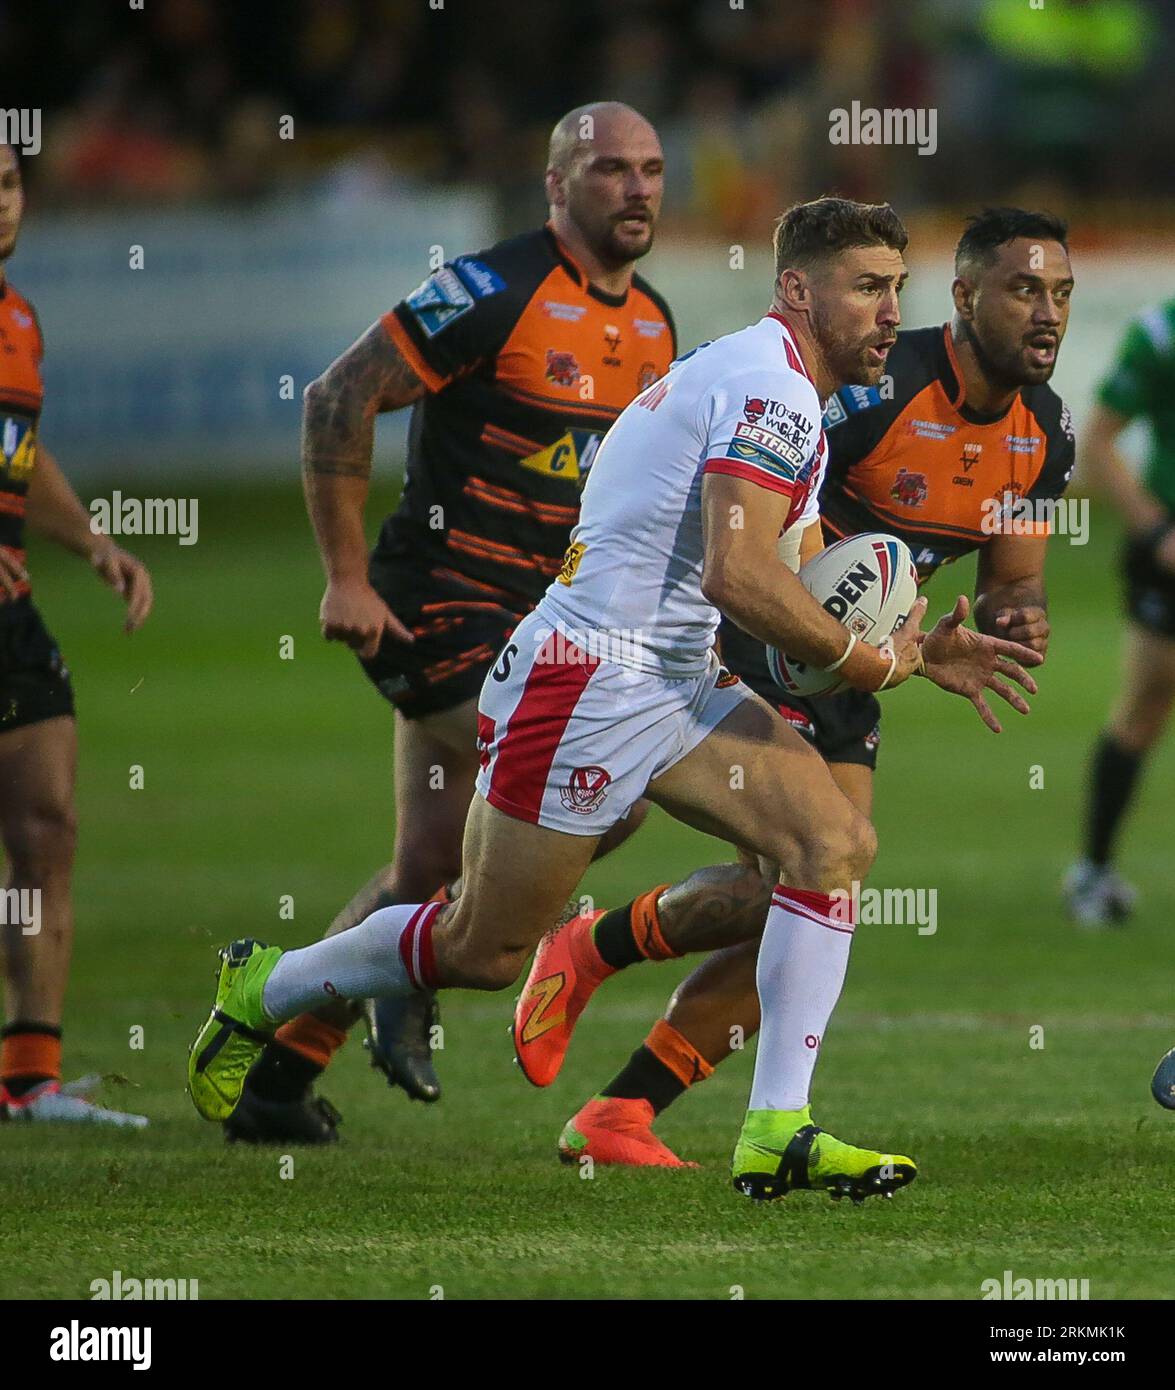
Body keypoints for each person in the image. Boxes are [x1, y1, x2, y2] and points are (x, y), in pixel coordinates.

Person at [189, 196, 1042, 1204]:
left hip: (673, 678)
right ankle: (265, 984)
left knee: (831, 844)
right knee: (480, 948)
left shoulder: (779, 388)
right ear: (797, 290)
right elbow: (736, 577)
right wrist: (867, 667)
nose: (887, 313)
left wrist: (897, 633)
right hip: (585, 679)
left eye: (894, 288)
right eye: (864, 288)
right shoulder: (768, 390)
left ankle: (776, 1128)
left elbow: (797, 559)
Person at [512, 206, 1077, 1168]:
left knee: (819, 879)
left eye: (1062, 294)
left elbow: (1010, 580)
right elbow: (749, 515)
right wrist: (835, 632)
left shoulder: (1046, 432)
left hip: (848, 664)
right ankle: (635, 1027)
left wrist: (1014, 616)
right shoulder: (870, 387)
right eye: (1024, 290)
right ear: (966, 298)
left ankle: (611, 1066)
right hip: (755, 635)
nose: (1047, 314)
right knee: (811, 867)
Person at [227, 102, 675, 1143]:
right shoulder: (490, 289)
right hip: (434, 609)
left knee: (429, 863)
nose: (639, 188)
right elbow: (337, 397)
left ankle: (279, 1079)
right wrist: (344, 577)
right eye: (611, 169)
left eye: (652, 169)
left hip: (543, 625)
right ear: (556, 185)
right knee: (610, 788)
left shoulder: (652, 321)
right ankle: (418, 968)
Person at [0, 144, 154, 1126]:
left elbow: (20, 450)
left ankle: (29, 1079)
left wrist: (93, 541)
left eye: (8, 185)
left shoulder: (17, 318)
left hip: (9, 612)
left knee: (47, 822)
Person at [1063, 299, 1175, 926]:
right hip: (1170, 550)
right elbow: (1097, 441)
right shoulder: (1164, 333)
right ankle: (1093, 871)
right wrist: (1157, 532)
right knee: (1145, 706)